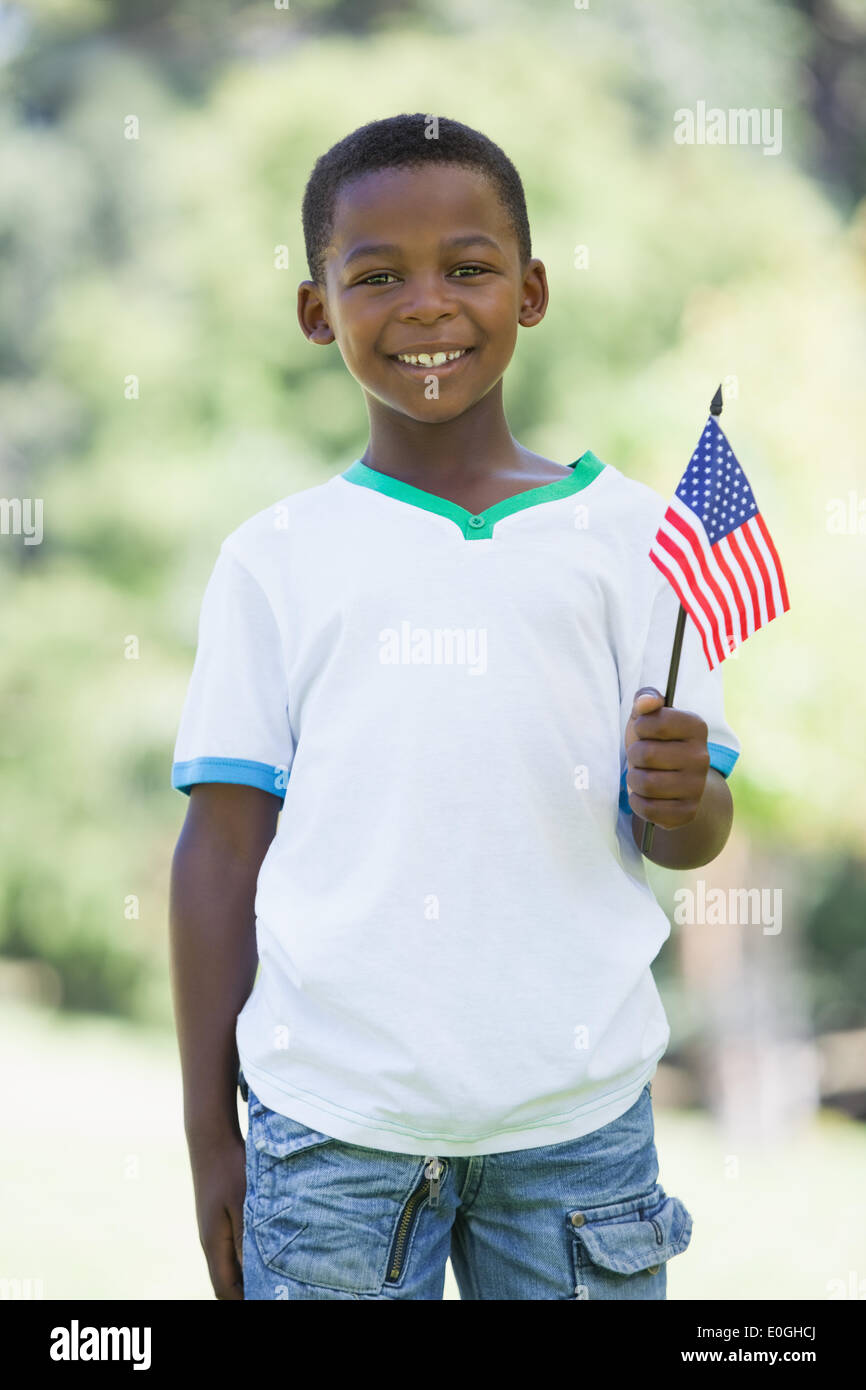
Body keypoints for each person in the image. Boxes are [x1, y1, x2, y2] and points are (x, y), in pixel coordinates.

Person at [169, 113, 740, 1301]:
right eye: (376, 276)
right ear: (316, 309)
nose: (427, 305)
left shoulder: (641, 539)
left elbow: (682, 835)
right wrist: (209, 1138)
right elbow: (221, 853)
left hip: (577, 1127)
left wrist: (690, 796)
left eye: (467, 268)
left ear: (528, 291)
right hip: (332, 1133)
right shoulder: (275, 558)